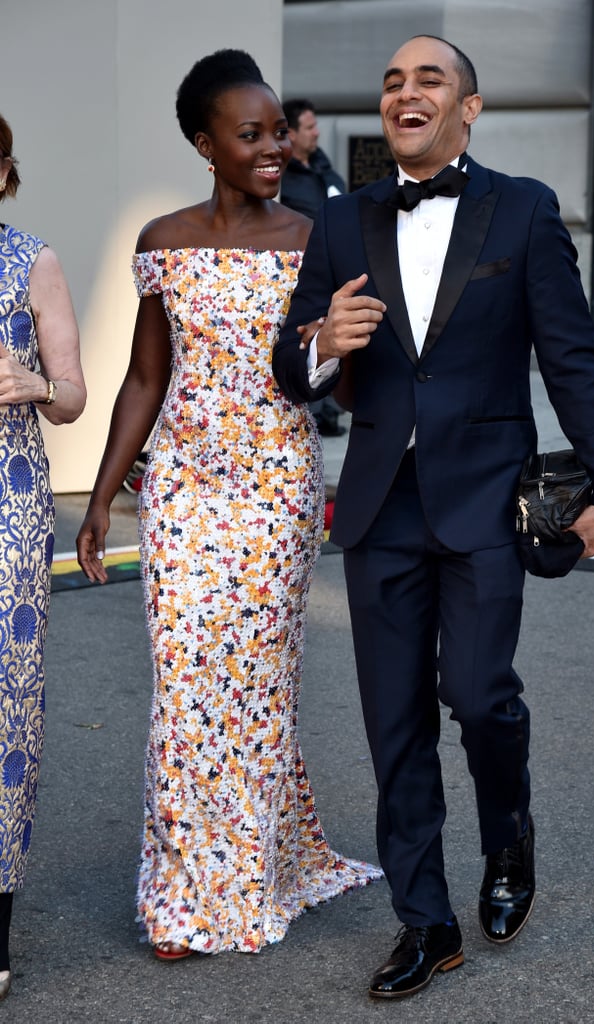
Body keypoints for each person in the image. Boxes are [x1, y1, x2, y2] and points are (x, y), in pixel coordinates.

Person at [273, 35, 594, 1000]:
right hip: (380, 507)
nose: (405, 92)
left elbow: (572, 357)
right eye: (392, 81)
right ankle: (425, 922)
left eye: (428, 78)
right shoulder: (341, 220)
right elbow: (292, 361)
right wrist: (319, 346)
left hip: (484, 499)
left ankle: (509, 834)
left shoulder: (520, 208)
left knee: (479, 698)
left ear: (467, 109)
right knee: (394, 725)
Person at [76, 49, 381, 961]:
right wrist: (100, 501)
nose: (273, 146)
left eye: (277, 130)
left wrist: (333, 347)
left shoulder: (314, 235)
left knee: (252, 692)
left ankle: (252, 875)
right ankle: (185, 896)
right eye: (250, 135)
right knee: (185, 694)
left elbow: (345, 377)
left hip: (276, 488)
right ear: (205, 144)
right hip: (182, 489)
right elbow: (142, 379)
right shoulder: (161, 242)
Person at [0, 114, 87, 1000]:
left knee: (3, 709)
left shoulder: (34, 260)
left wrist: (32, 384)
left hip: (8, 511)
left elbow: (72, 394)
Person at [280, 98, 347, 437]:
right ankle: (314, 408)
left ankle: (331, 412)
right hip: (303, 274)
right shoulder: (282, 180)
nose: (317, 132)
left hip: (339, 269)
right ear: (290, 133)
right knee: (308, 335)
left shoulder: (324, 168)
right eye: (309, 127)